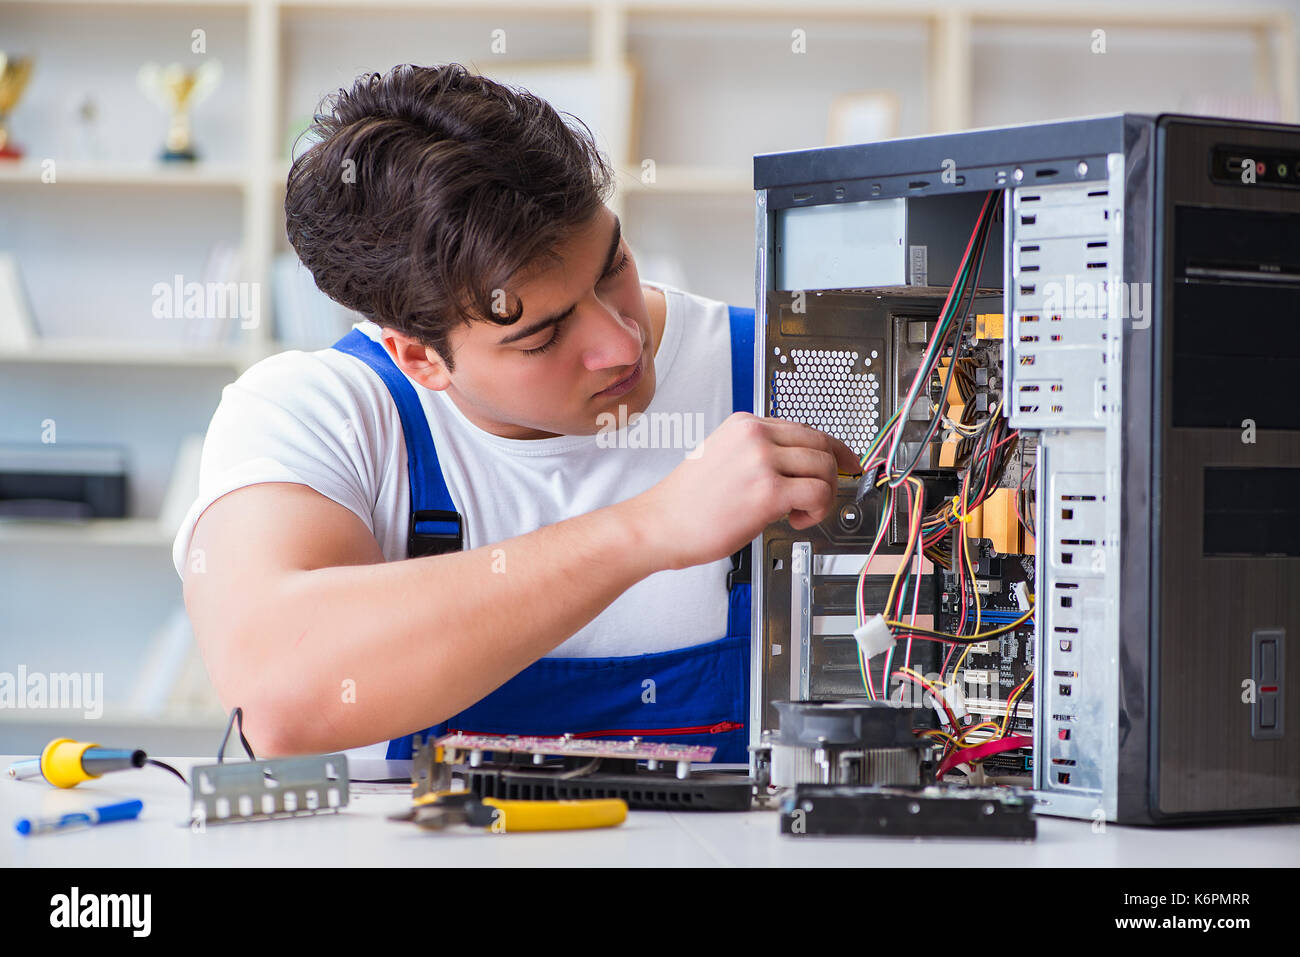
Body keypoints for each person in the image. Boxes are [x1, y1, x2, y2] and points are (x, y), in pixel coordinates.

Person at [172, 63, 857, 762]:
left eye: (612, 266)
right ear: (421, 359)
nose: (622, 342)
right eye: (544, 334)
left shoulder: (790, 372)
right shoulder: (320, 414)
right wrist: (648, 528)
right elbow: (275, 702)